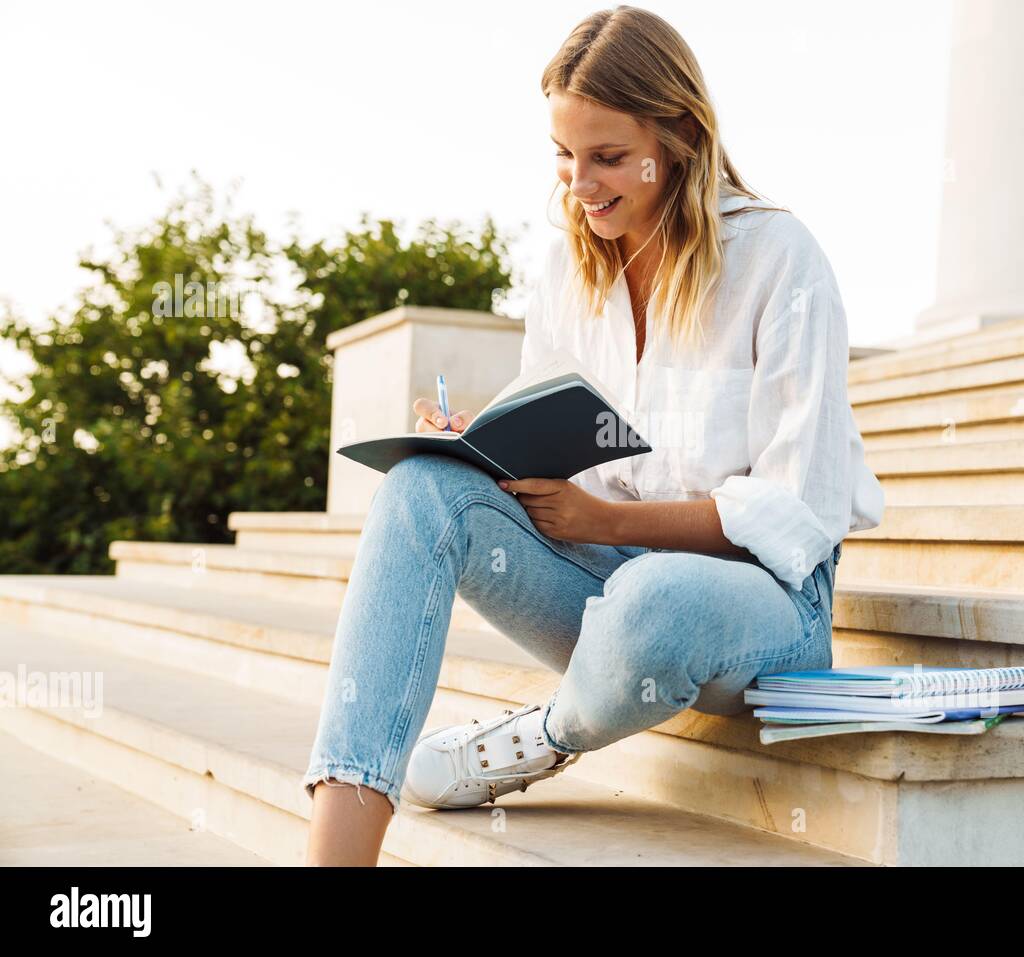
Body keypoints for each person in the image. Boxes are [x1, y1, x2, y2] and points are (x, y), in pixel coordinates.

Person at [301, 4, 884, 866]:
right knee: (420, 489)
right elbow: (552, 439)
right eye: (565, 156)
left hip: (760, 609)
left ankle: (539, 734)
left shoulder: (779, 259)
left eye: (608, 157)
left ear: (679, 136)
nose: (580, 182)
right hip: (603, 586)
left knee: (655, 599)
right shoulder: (567, 272)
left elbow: (799, 516)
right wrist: (479, 448)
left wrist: (605, 523)